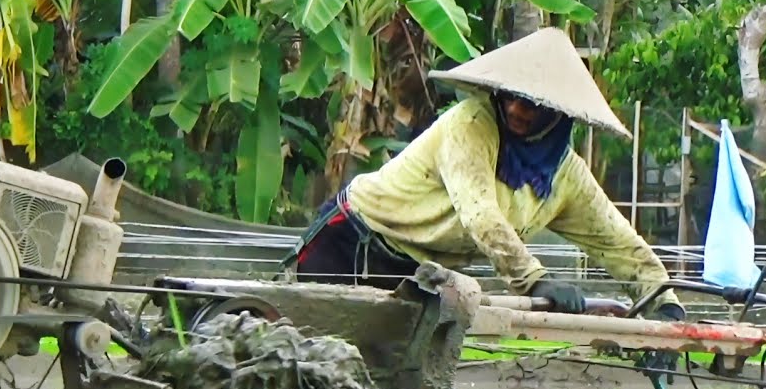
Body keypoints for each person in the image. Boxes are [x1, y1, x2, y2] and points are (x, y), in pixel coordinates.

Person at [280, 27, 685, 326]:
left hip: (422, 276)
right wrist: (535, 280)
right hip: (353, 243)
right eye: (510, 96)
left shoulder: (564, 176)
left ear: (558, 114)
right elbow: (481, 216)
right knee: (314, 370)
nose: (515, 110)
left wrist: (662, 303)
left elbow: (617, 242)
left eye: (531, 104)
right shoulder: (472, 124)